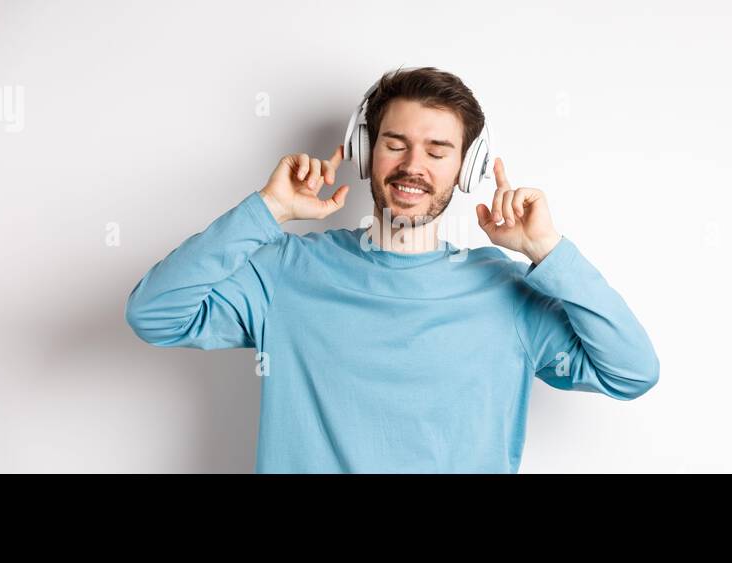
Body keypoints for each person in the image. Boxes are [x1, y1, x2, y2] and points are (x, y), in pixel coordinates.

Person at [125, 67, 659, 473]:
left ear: (467, 167)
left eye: (437, 150)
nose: (412, 167)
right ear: (366, 152)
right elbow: (155, 313)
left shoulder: (507, 292)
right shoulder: (287, 271)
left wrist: (548, 250)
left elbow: (631, 372)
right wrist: (265, 211)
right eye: (395, 144)